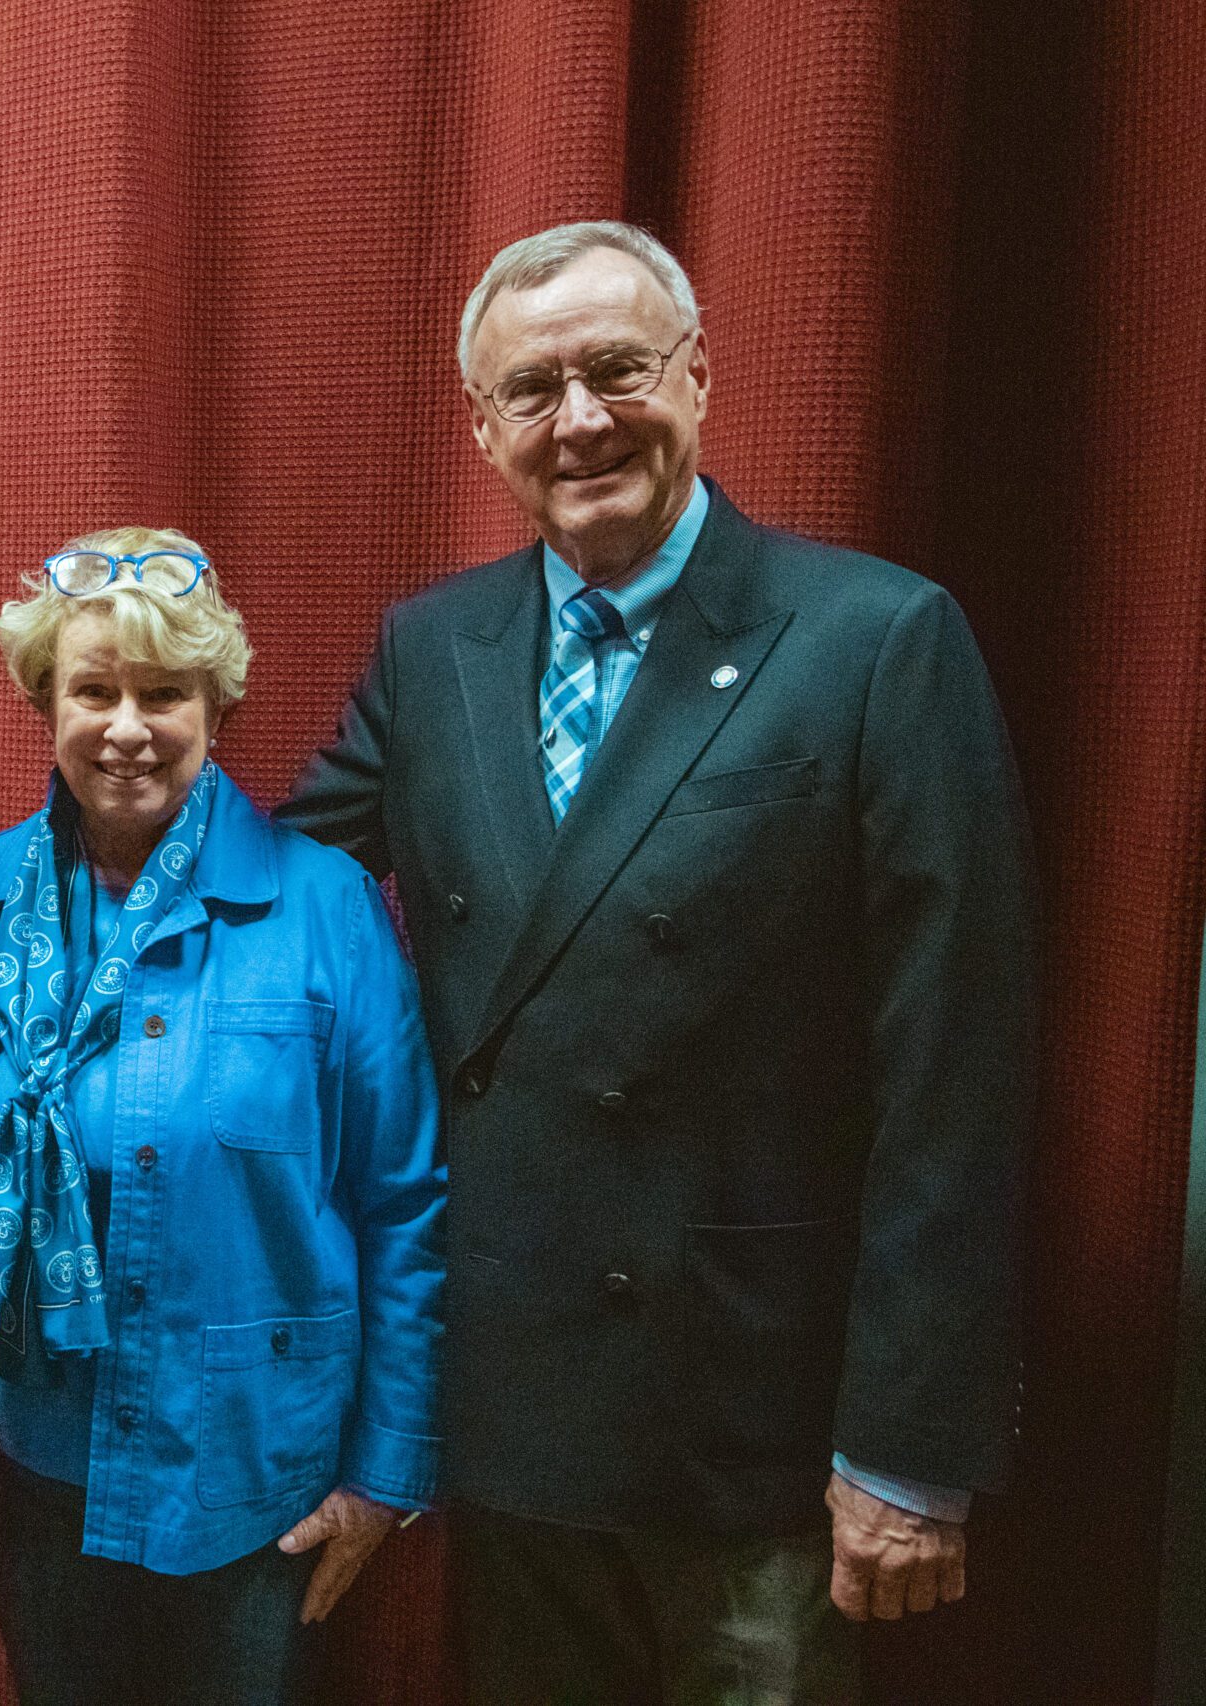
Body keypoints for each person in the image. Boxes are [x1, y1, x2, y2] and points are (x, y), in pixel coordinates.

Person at [278, 221, 1036, 1702]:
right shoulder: (434, 649)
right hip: (515, 1405)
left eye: (618, 370)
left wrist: (913, 1447)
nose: (581, 421)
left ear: (701, 375)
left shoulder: (878, 638)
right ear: (481, 428)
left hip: (756, 1411)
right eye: (534, 391)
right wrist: (37, 865)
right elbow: (272, 875)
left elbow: (961, 1069)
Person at [0, 529, 444, 1706]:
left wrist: (386, 1473)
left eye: (165, 691)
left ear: (218, 703)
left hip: (255, 1473)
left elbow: (403, 1200)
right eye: (94, 688)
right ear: (45, 698)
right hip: (41, 1461)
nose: (127, 725)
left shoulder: (327, 906)